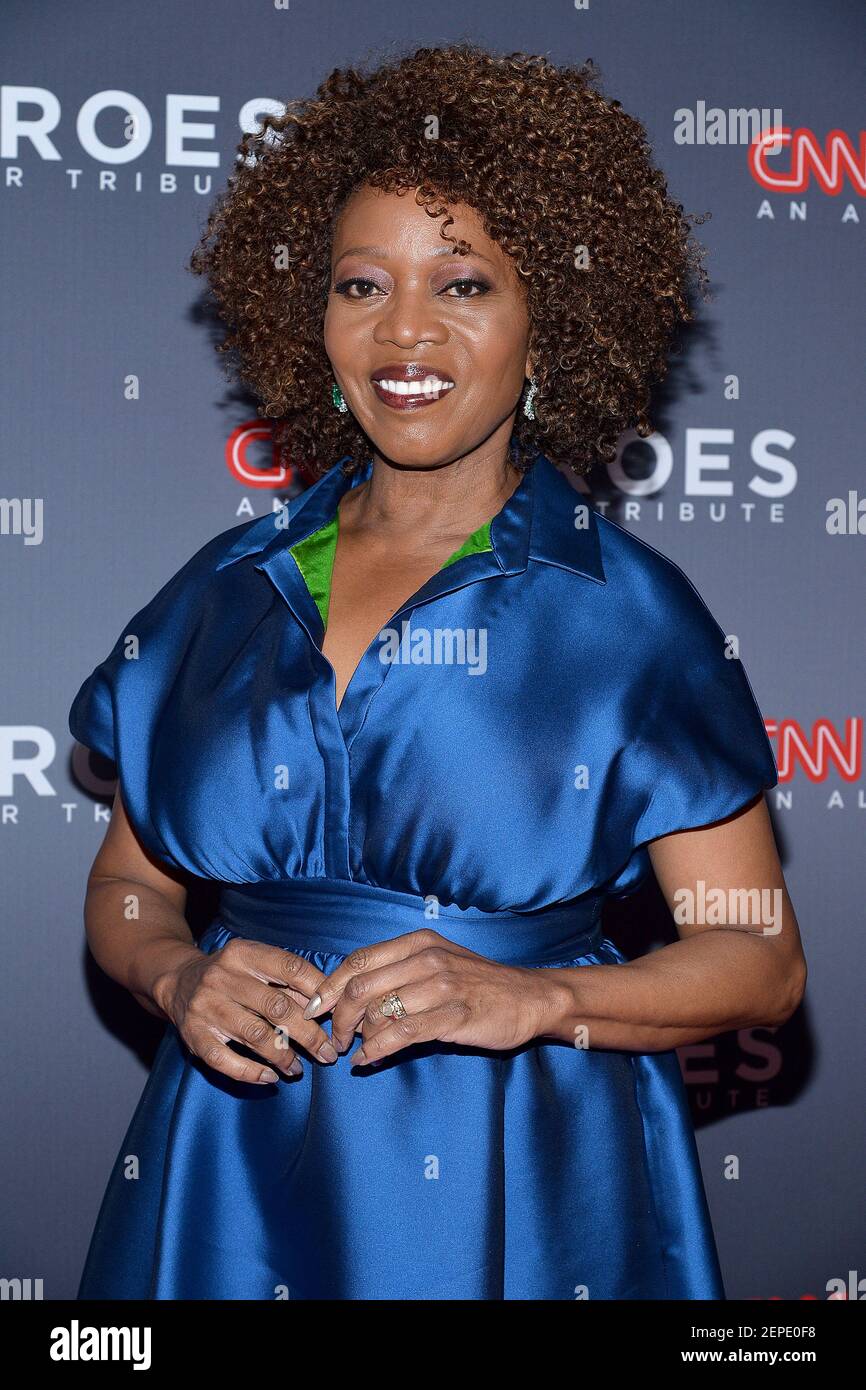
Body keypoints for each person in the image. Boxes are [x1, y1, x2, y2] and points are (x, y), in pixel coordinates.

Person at [69, 43, 806, 1300]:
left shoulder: (629, 618)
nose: (404, 330)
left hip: (514, 1163)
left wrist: (531, 997)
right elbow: (130, 891)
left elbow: (760, 961)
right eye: (362, 284)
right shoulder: (219, 591)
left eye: (461, 283)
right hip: (226, 1167)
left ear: (548, 325)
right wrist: (178, 971)